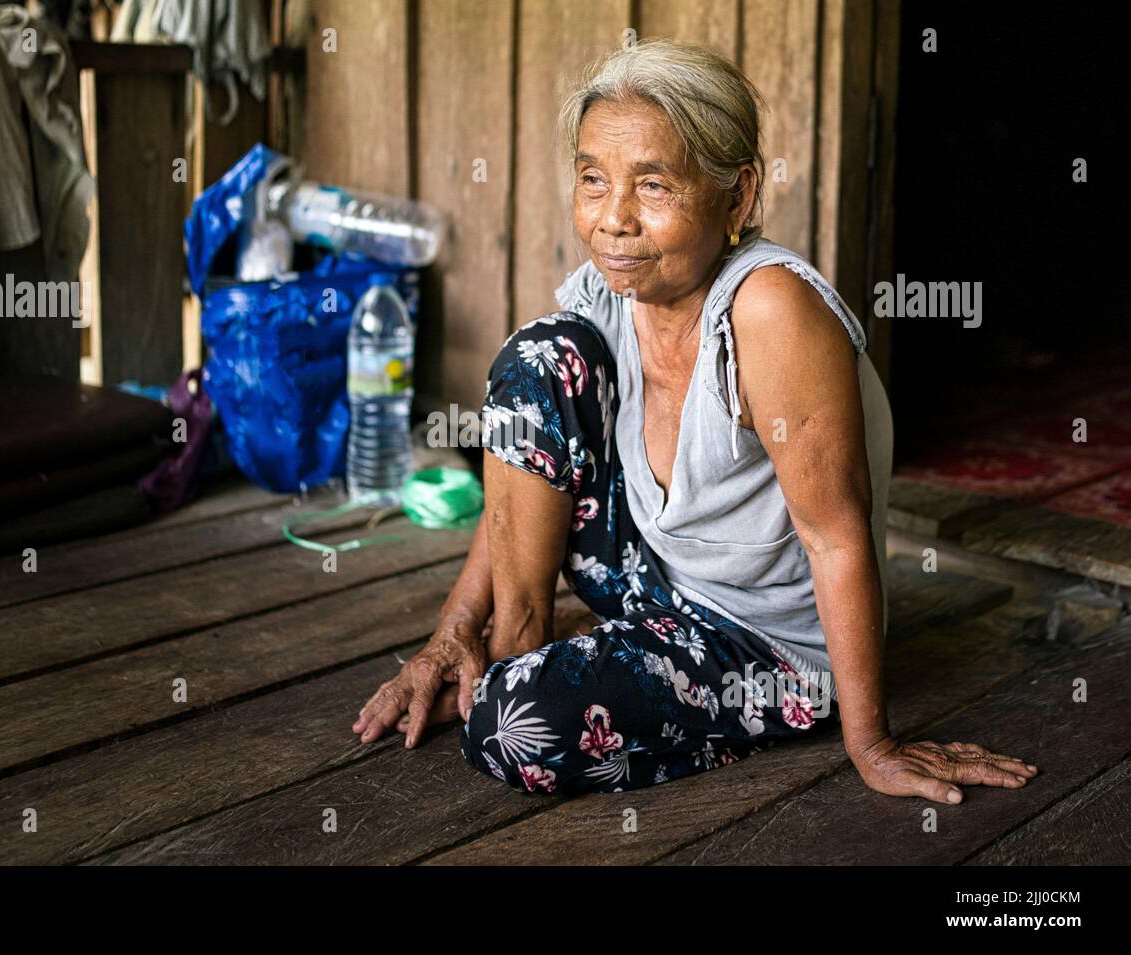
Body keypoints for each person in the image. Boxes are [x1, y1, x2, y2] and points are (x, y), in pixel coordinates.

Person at [352, 38, 1038, 800]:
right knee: (538, 358)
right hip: (655, 576)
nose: (613, 219)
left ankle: (546, 674)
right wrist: (453, 630)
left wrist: (872, 744)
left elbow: (835, 536)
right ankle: (516, 642)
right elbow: (530, 464)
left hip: (762, 644)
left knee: (512, 724)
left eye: (653, 186)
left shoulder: (769, 310)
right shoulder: (606, 292)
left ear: (737, 197)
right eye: (592, 179)